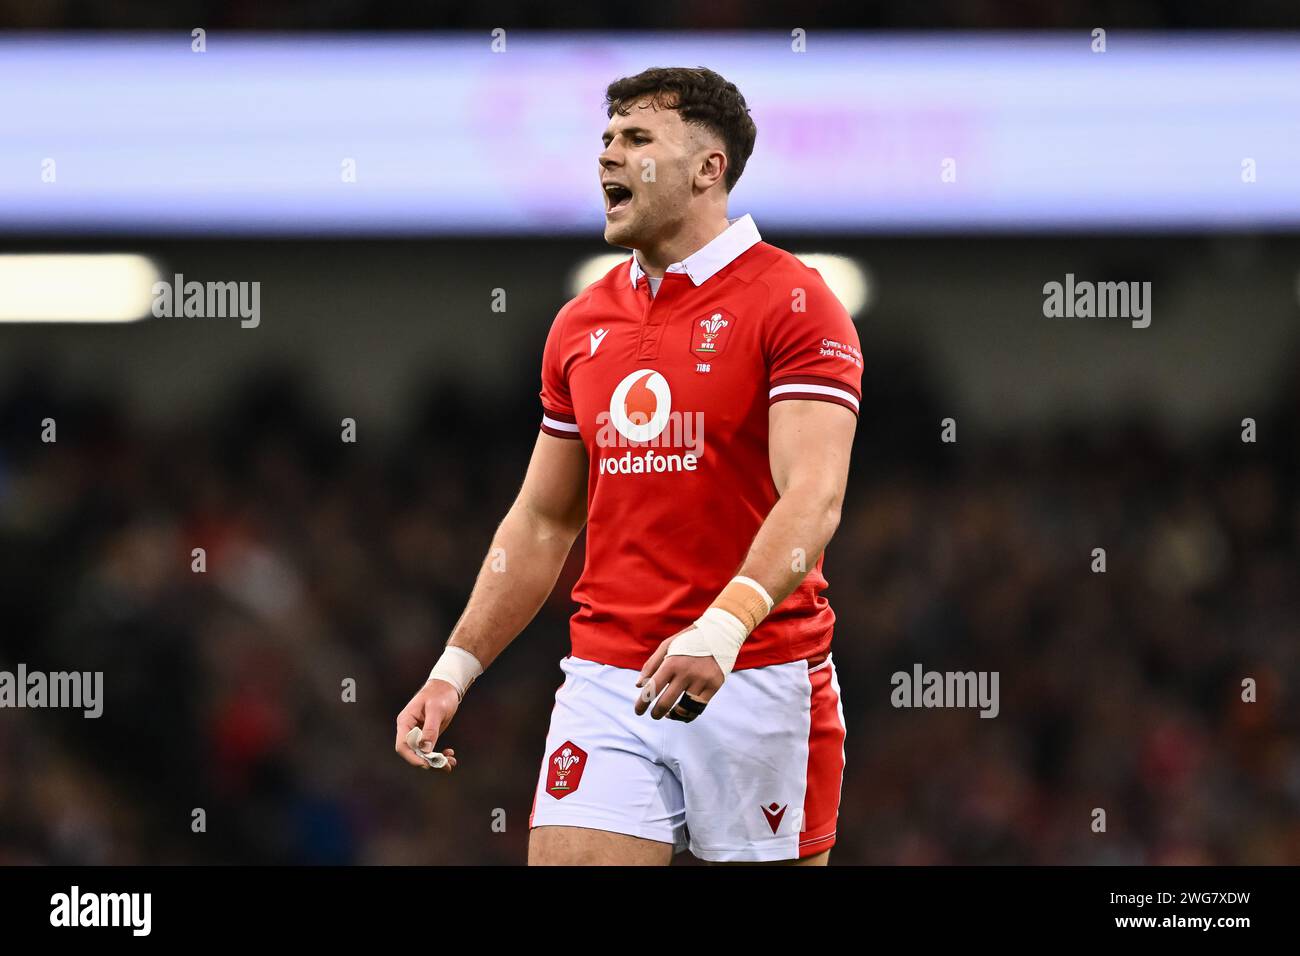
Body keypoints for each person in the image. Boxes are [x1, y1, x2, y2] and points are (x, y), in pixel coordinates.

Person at [396, 66, 863, 865]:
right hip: (610, 681)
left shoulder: (794, 301)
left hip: (759, 678)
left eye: (637, 139)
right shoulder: (582, 323)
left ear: (708, 169)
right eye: (606, 138)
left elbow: (814, 497)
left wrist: (720, 630)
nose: (608, 155)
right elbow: (543, 520)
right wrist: (454, 668)